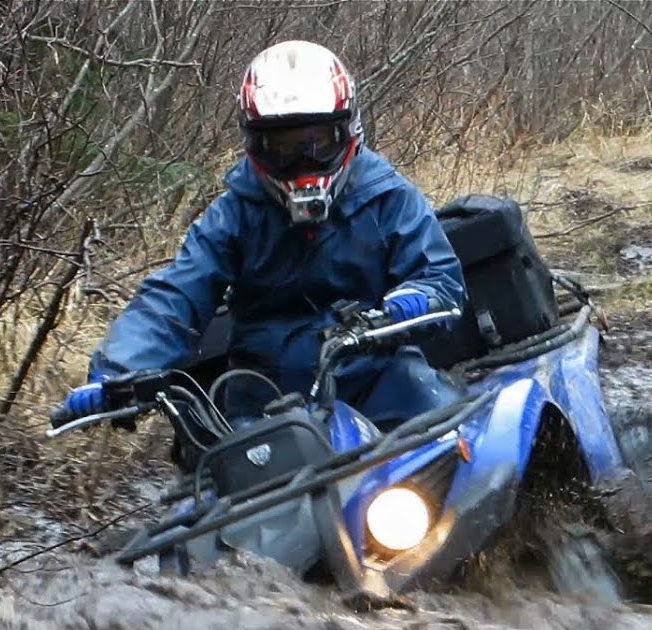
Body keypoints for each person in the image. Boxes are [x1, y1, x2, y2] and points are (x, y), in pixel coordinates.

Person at [61, 40, 467, 431]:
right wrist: (116, 373)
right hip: (263, 397)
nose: (302, 161)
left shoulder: (389, 198)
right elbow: (175, 296)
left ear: (347, 131)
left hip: (378, 377)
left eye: (316, 143)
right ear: (255, 145)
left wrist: (414, 302)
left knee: (452, 439)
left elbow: (440, 278)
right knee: (213, 486)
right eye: (282, 147)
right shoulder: (234, 214)